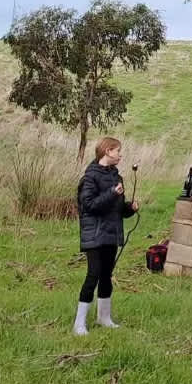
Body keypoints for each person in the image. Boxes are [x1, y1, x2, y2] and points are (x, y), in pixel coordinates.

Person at [74, 136, 138, 336]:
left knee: (106, 276)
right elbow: (89, 205)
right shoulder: (90, 177)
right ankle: (79, 324)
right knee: (93, 275)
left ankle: (104, 318)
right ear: (107, 151)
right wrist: (112, 193)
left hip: (111, 234)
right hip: (94, 234)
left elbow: (117, 209)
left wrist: (130, 208)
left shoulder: (117, 177)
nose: (120, 154)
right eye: (117, 150)